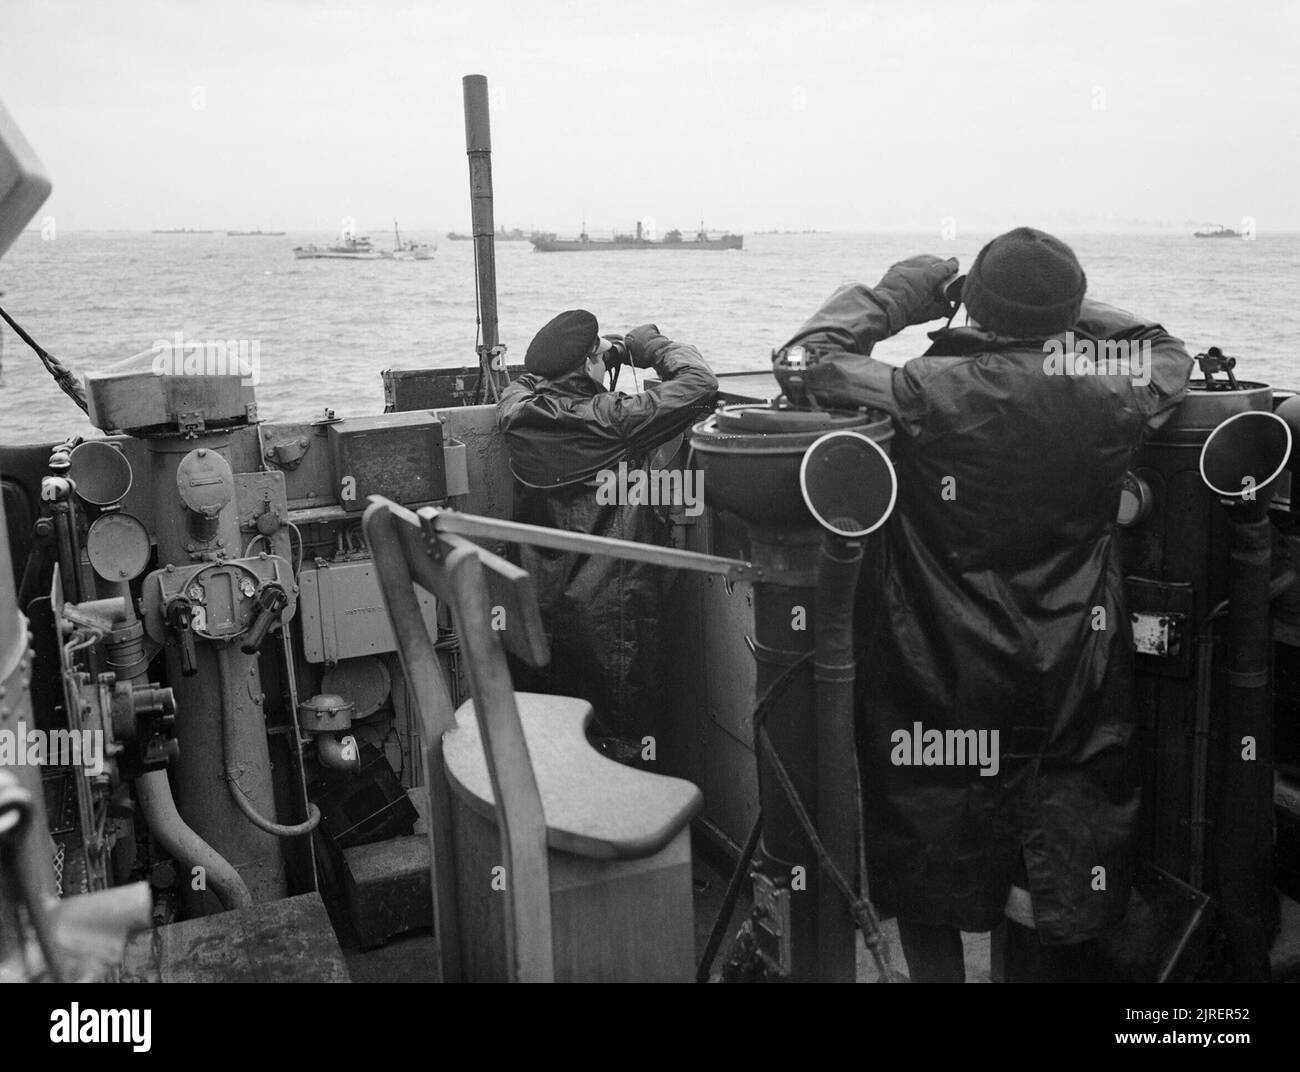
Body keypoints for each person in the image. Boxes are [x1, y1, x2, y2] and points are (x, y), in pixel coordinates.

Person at [774, 227, 1193, 981]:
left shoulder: (921, 391)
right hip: (1070, 674)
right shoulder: (1115, 390)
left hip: (935, 667)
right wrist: (1063, 309)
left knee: (931, 856)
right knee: (1049, 863)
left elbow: (806, 358)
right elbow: (1167, 350)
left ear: (975, 306)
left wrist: (903, 293)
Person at [497, 310, 717, 756]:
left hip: (537, 610)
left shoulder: (516, 410)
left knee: (555, 736)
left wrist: (603, 352)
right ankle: (629, 820)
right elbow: (701, 384)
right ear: (587, 364)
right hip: (609, 617)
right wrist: (650, 346)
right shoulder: (613, 418)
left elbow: (526, 379)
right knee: (621, 737)